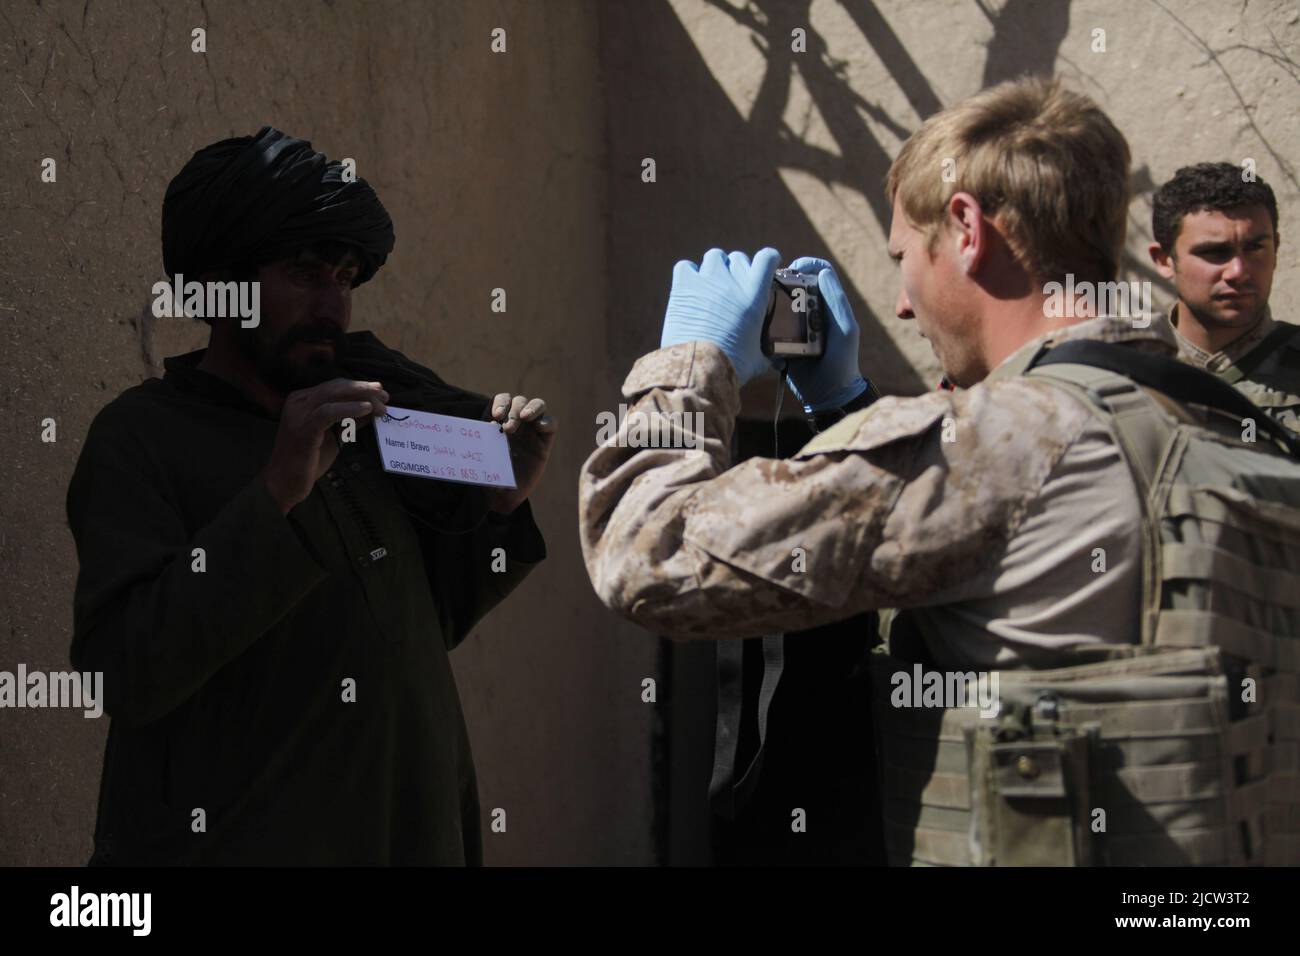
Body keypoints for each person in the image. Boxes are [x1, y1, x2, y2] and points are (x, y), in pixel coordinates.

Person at [579, 78, 1300, 866]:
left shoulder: (1004, 441)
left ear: (964, 228)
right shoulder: (1226, 424)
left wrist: (692, 359)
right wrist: (848, 409)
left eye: (903, 258)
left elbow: (645, 554)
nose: (900, 305)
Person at [66, 127, 556, 865]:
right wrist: (276, 495)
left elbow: (426, 620)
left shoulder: (367, 417)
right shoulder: (141, 438)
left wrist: (500, 506)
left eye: (345, 278)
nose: (333, 304)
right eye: (305, 273)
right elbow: (124, 675)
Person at [1149, 162, 1298, 431]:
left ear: (1275, 248)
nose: (1238, 272)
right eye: (1215, 253)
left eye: (1255, 248)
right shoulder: (1128, 375)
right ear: (1164, 261)